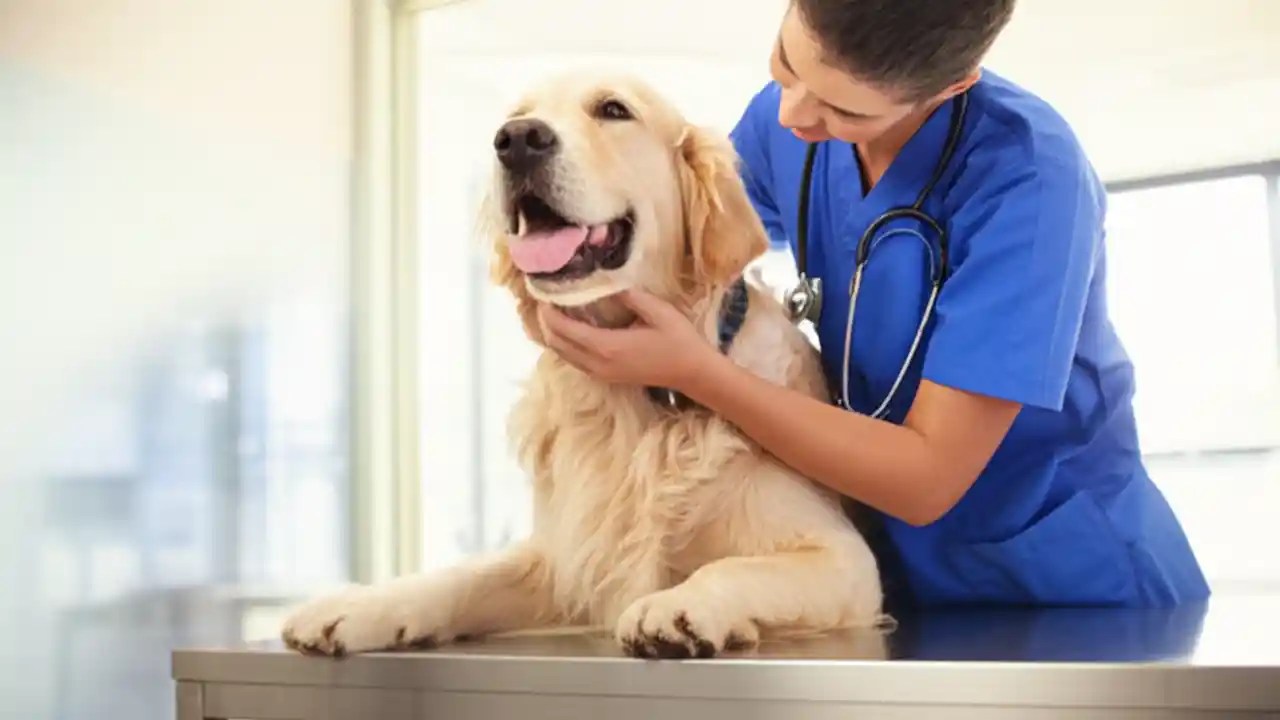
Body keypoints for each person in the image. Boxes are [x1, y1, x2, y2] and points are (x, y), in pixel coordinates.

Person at [537, 0, 1211, 608]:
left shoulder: (1030, 182)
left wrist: (698, 373)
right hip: (896, 572)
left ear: (953, 87)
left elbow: (926, 478)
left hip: (1068, 588)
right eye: (785, 62)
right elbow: (690, 238)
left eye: (846, 112)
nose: (795, 115)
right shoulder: (787, 121)